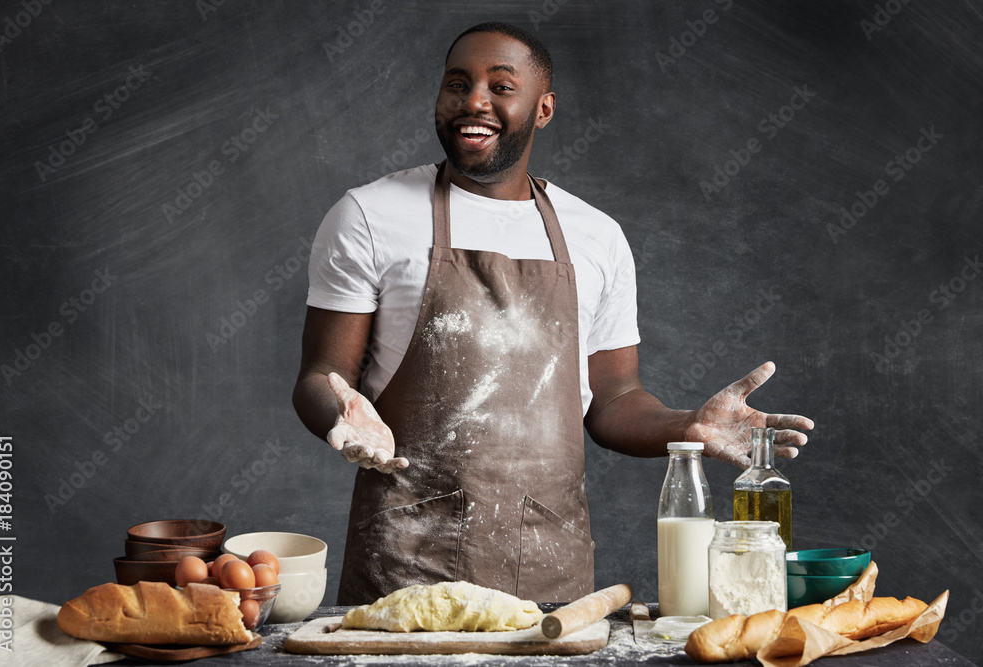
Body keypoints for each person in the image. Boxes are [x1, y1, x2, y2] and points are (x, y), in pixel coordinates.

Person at [293, 22, 814, 605]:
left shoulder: (595, 236)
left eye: (500, 86)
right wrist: (341, 409)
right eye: (457, 84)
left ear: (543, 109)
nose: (474, 102)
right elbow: (319, 376)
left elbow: (614, 400)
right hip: (407, 560)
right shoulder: (369, 215)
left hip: (547, 563)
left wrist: (686, 427)